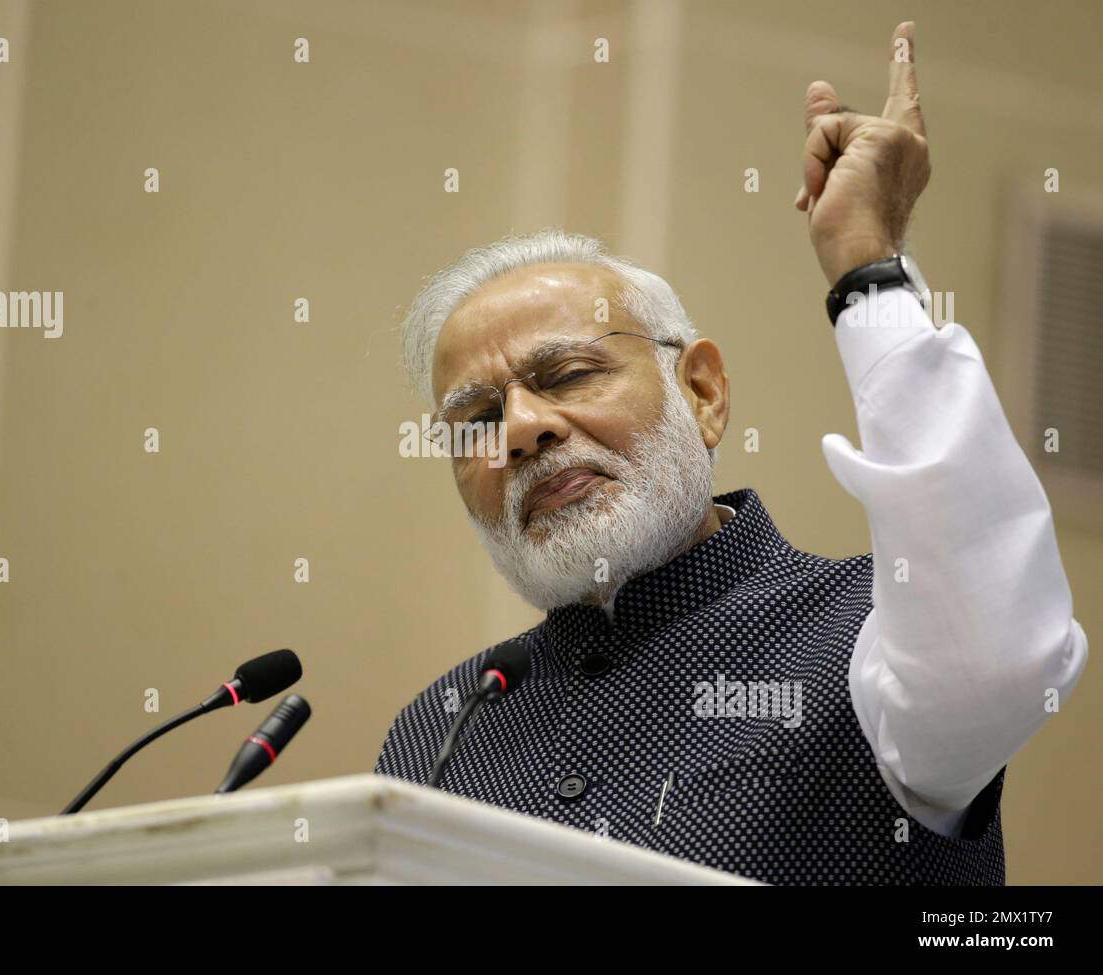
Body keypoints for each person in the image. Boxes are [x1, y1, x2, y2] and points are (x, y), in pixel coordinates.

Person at [374, 22, 1088, 885]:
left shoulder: (870, 631)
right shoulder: (437, 733)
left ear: (703, 392)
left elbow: (1000, 654)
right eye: (478, 418)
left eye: (566, 374)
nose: (522, 428)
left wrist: (868, 274)